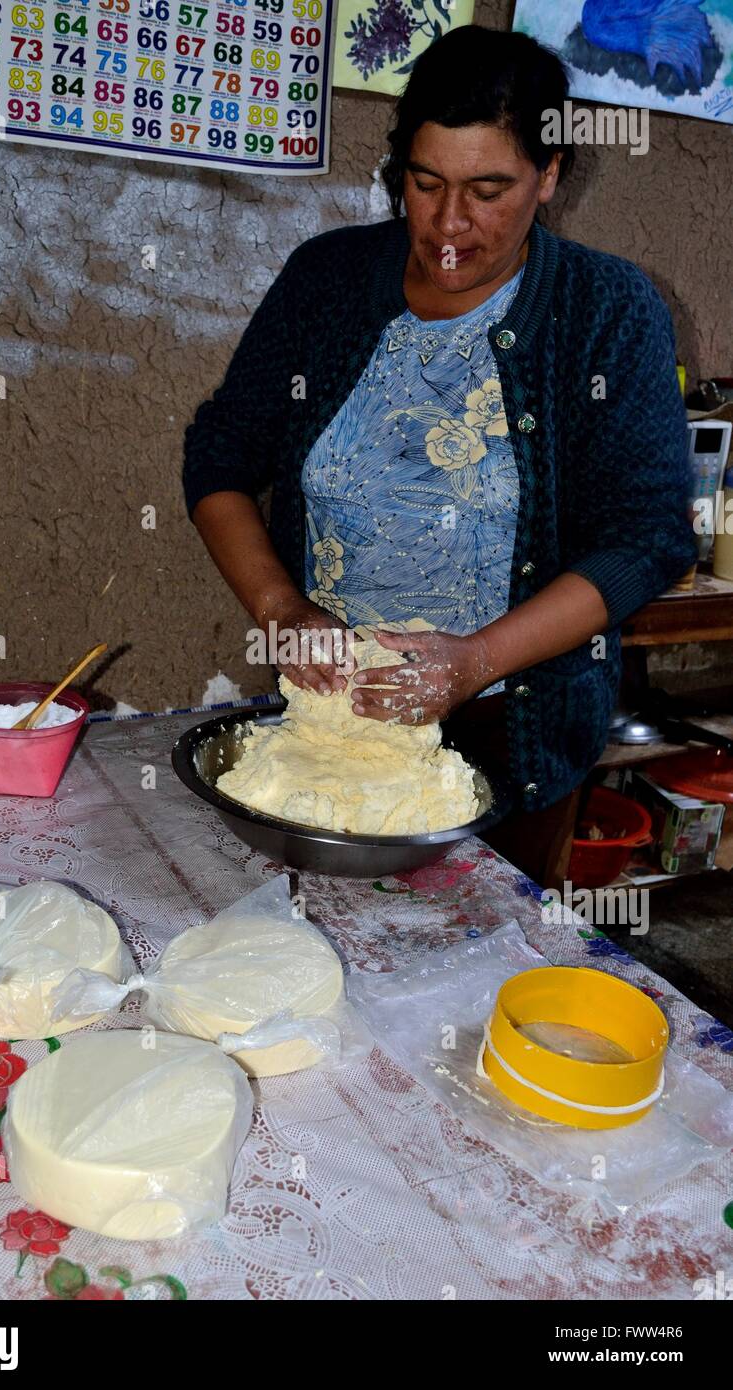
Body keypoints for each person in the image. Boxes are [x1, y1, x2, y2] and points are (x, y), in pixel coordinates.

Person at [183, 24, 696, 882]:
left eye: (490, 189)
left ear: (551, 177)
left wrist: (477, 661)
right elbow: (220, 461)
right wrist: (282, 611)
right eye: (425, 184)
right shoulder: (329, 280)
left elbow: (646, 539)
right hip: (329, 717)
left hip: (512, 733)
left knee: (469, 969)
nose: (451, 224)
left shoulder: (606, 309)